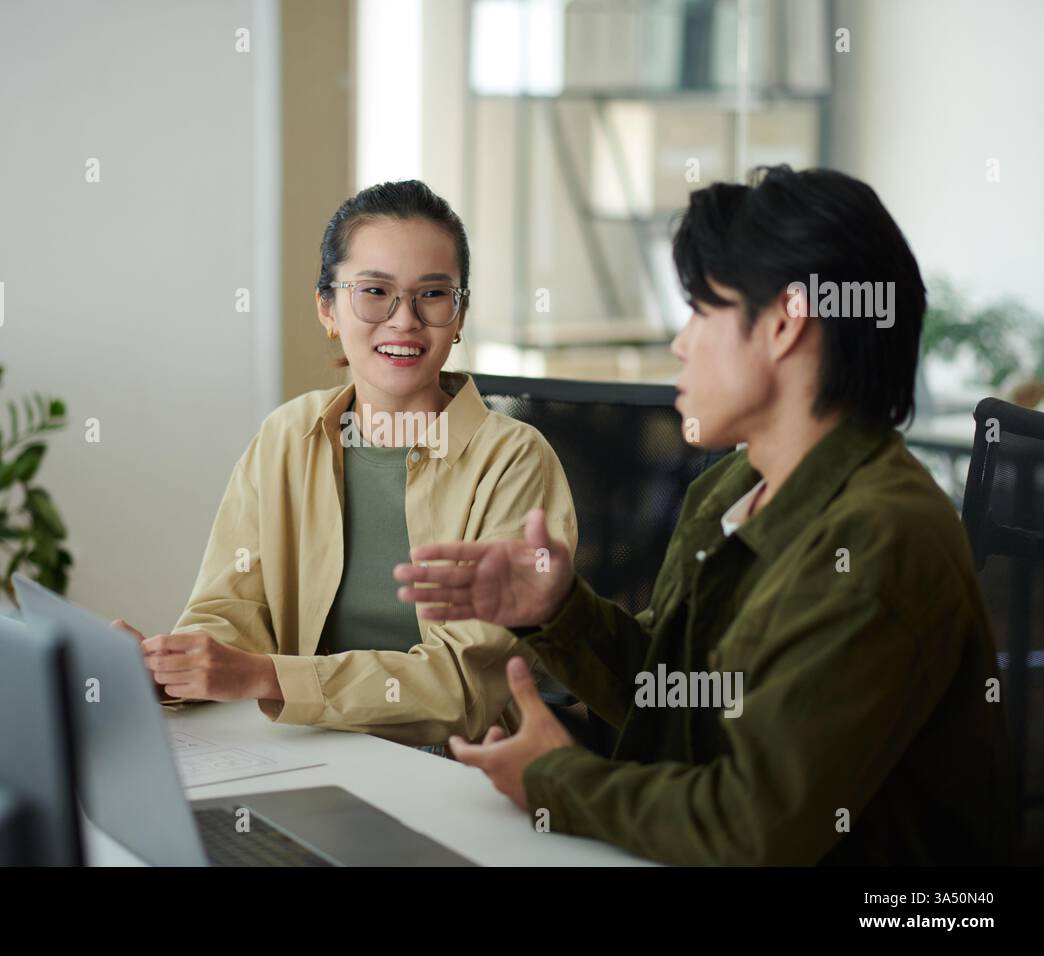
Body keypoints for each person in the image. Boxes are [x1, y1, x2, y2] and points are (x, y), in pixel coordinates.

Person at [395, 165, 1017, 863]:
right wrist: (560, 610)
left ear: (784, 324)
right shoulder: (731, 489)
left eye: (701, 310)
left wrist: (553, 780)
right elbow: (673, 705)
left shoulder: (880, 537)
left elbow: (758, 826)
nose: (680, 343)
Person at [114, 180, 576, 748]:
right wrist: (169, 670)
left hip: (454, 767)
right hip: (304, 747)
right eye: (374, 291)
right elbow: (231, 608)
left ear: (459, 318)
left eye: (432, 294)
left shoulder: (513, 462)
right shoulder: (288, 436)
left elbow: (465, 689)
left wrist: (266, 677)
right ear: (328, 309)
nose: (404, 320)